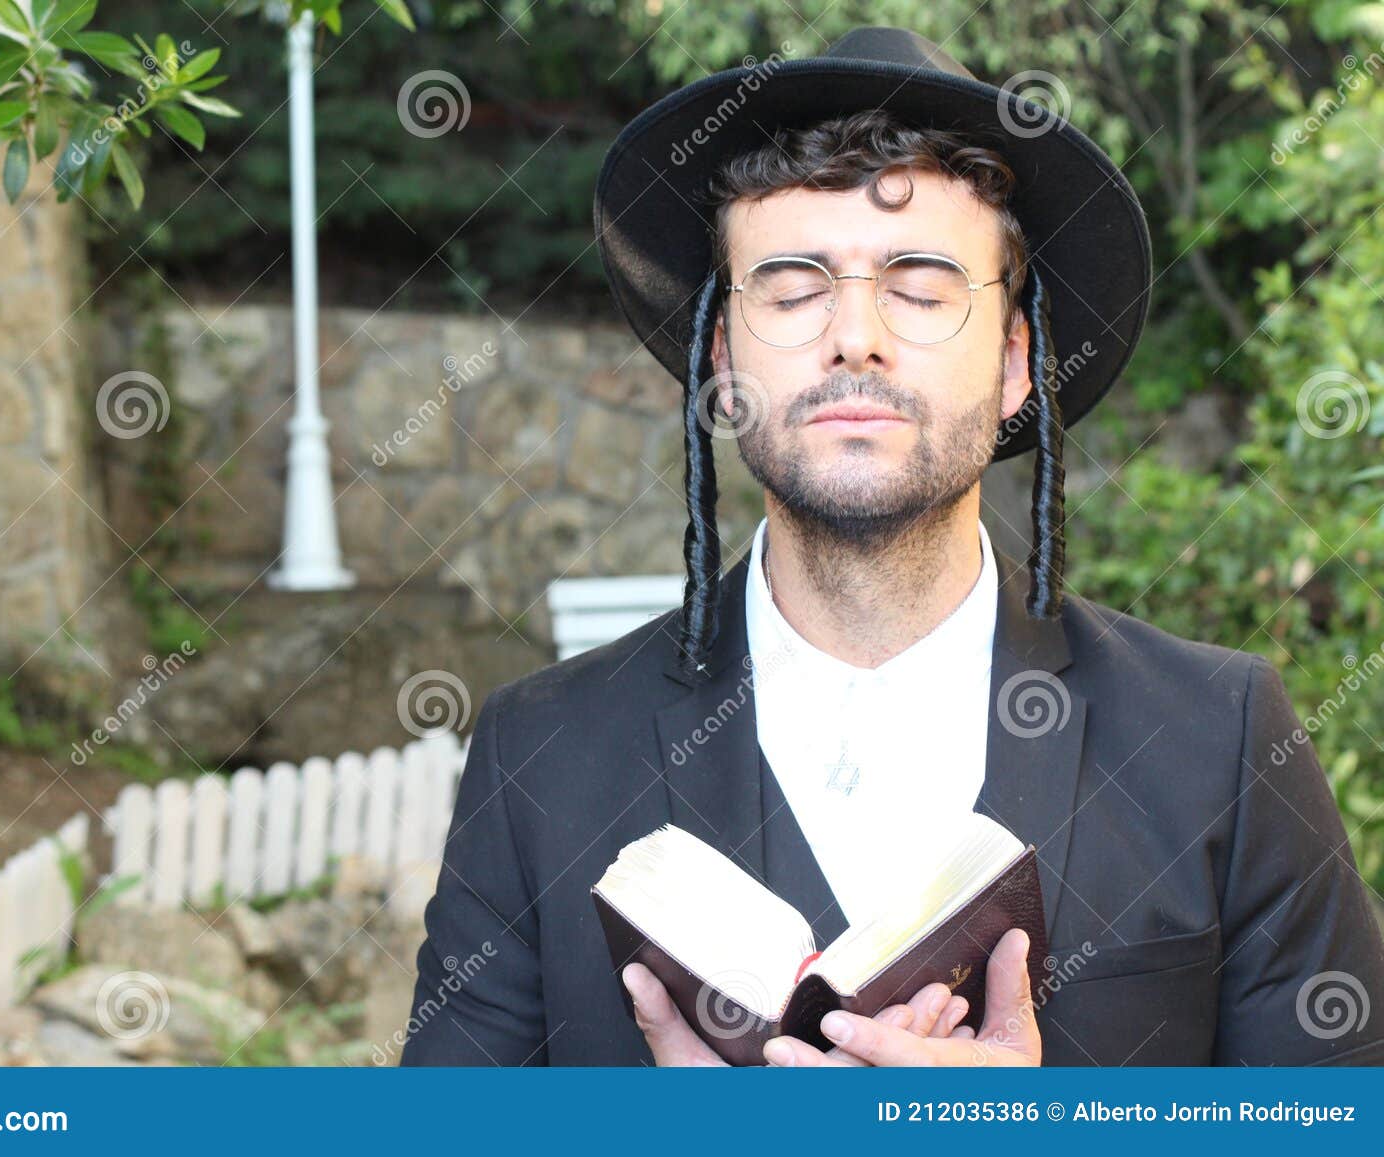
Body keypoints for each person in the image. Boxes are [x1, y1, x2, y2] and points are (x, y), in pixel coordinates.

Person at [398, 26, 1384, 1066]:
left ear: (1015, 365)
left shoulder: (1214, 741)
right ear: (723, 362)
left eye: (918, 285)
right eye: (790, 286)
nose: (854, 333)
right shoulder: (538, 758)